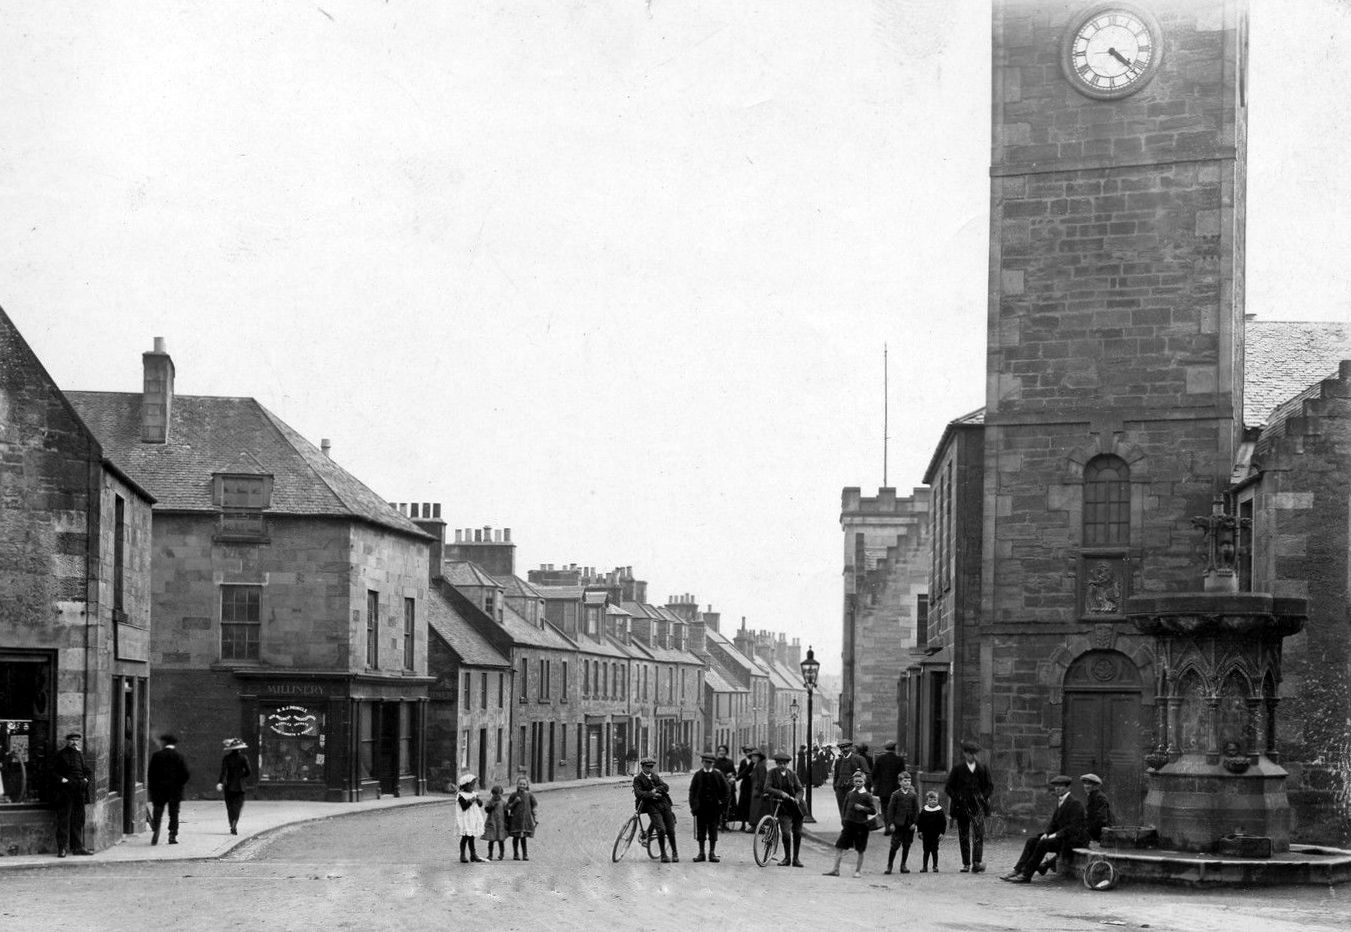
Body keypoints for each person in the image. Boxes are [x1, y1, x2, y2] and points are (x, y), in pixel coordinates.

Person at [1001, 775, 1088, 884]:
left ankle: (1026, 875)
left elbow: (1073, 827)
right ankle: (1018, 869)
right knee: (1032, 841)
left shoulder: (1075, 804)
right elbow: (1054, 823)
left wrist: (1055, 835)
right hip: (1060, 838)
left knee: (1043, 844)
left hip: (1070, 840)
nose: (1057, 788)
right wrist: (1047, 833)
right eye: (1056, 786)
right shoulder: (1060, 801)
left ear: (1068, 788)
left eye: (1061, 786)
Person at [943, 739, 994, 873]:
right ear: (965, 754)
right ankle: (966, 863)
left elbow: (989, 786)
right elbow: (948, 787)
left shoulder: (982, 768)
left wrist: (984, 796)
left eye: (974, 754)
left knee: (978, 834)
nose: (972, 756)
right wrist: (957, 798)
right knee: (964, 834)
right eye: (969, 753)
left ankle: (976, 861)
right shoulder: (958, 769)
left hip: (977, 807)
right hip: (962, 807)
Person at [823, 769, 877, 878]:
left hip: (861, 826)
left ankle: (858, 871)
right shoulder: (850, 793)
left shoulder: (867, 795)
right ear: (853, 781)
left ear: (864, 782)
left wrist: (862, 808)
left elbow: (873, 810)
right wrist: (844, 820)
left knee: (860, 849)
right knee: (839, 846)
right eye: (856, 781)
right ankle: (835, 869)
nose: (858, 783)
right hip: (848, 825)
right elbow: (844, 807)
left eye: (860, 781)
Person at [52, 732, 93, 857]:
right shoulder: (60, 755)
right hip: (66, 791)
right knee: (63, 820)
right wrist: (62, 780)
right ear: (67, 741)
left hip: (79, 791)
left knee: (78, 820)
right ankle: (62, 848)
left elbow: (87, 770)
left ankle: (77, 847)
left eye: (76, 740)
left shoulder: (80, 754)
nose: (74, 742)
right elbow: (52, 772)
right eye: (72, 740)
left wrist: (86, 779)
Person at [147, 733, 190, 846]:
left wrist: (153, 788)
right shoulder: (179, 756)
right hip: (175, 791)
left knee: (158, 810)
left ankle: (156, 828)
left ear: (164, 743)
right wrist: (179, 785)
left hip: (159, 790)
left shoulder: (157, 755)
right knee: (174, 813)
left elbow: (151, 774)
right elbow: (185, 774)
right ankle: (172, 835)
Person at [633, 755, 679, 862]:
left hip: (664, 803)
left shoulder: (655, 776)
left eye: (651, 767)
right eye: (647, 767)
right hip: (651, 805)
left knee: (670, 830)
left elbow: (666, 787)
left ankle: (675, 853)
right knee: (661, 829)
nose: (649, 769)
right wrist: (652, 794)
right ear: (642, 767)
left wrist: (656, 789)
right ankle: (663, 854)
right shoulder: (638, 779)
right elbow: (639, 793)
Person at [765, 750, 806, 867]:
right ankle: (787, 858)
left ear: (787, 764)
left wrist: (798, 798)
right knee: (786, 833)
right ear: (776, 764)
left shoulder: (792, 774)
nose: (782, 766)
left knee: (797, 833)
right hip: (782, 807)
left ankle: (796, 859)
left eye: (784, 763)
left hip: (796, 807)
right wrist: (780, 793)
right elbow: (767, 787)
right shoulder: (771, 773)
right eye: (779, 763)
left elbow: (800, 789)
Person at [689, 751, 730, 862]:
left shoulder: (718, 774)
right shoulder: (698, 775)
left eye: (711, 762)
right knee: (701, 831)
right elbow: (692, 791)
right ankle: (701, 853)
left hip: (714, 808)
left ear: (713, 763)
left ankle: (712, 853)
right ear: (702, 762)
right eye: (706, 762)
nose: (708, 764)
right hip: (701, 808)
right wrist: (693, 806)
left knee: (713, 830)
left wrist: (722, 803)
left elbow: (727, 790)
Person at [883, 771, 920, 875]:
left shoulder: (913, 795)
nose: (907, 783)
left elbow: (916, 810)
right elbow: (890, 810)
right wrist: (891, 823)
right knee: (894, 845)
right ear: (900, 782)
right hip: (898, 824)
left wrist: (915, 823)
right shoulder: (895, 795)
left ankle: (903, 865)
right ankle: (889, 865)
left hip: (909, 825)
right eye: (905, 781)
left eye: (909, 781)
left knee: (907, 845)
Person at [216, 737, 251, 836]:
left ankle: (231, 824)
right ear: (240, 748)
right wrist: (242, 777)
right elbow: (249, 772)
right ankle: (234, 824)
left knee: (230, 807)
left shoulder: (226, 758)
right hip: (240, 787)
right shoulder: (244, 758)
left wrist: (220, 782)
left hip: (229, 786)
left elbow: (223, 772)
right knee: (237, 807)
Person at [832, 740, 868, 816]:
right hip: (840, 789)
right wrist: (835, 786)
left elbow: (867, 774)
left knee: (854, 810)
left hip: (854, 788)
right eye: (842, 748)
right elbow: (836, 775)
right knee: (842, 809)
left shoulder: (859, 759)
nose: (844, 749)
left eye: (846, 747)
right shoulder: (839, 761)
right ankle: (845, 825)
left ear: (851, 747)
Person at [506, 775, 538, 861]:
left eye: (524, 784)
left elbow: (534, 804)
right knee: (516, 837)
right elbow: (508, 806)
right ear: (517, 784)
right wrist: (515, 802)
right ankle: (515, 854)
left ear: (527, 785)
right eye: (520, 784)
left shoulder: (529, 795)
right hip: (515, 819)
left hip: (525, 819)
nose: (522, 786)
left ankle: (525, 854)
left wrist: (534, 812)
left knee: (523, 838)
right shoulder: (513, 795)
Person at [456, 772, 486, 863]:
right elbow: (464, 807)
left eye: (474, 785)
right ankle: (462, 854)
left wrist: (477, 799)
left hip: (473, 819)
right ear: (465, 786)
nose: (473, 787)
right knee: (465, 837)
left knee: (472, 837)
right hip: (465, 819)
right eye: (471, 785)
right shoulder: (461, 795)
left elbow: (480, 805)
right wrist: (470, 801)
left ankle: (473, 855)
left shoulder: (474, 794)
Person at [917, 790, 947, 872]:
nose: (933, 802)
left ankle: (935, 866)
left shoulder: (940, 811)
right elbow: (920, 822)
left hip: (935, 835)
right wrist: (919, 831)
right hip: (926, 835)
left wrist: (942, 833)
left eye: (935, 800)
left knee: (934, 851)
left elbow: (943, 823)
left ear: (937, 801)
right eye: (930, 800)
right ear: (927, 801)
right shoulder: (924, 810)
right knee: (926, 851)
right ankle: (924, 866)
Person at [871, 739, 906, 810]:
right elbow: (903, 775)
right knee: (895, 807)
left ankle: (886, 820)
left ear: (885, 748)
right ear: (894, 748)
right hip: (896, 788)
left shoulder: (880, 759)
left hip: (882, 789)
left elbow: (874, 774)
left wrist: (875, 784)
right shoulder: (899, 760)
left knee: (884, 807)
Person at [1082, 773, 1113, 843]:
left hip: (1099, 834)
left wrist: (1091, 834)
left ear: (1096, 786)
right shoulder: (1091, 796)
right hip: (1094, 833)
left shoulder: (1099, 797)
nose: (1086, 786)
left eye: (1089, 784)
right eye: (1085, 783)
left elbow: (1101, 819)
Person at [712, 744, 736, 830]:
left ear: (726, 752)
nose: (722, 752)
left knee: (727, 805)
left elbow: (734, 772)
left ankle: (724, 823)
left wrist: (732, 776)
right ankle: (717, 822)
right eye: (720, 751)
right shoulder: (715, 762)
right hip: (718, 787)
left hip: (728, 787)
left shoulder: (730, 762)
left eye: (723, 751)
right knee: (718, 805)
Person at [481, 784, 508, 860]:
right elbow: (486, 810)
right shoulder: (490, 801)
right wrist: (492, 806)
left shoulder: (503, 802)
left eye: (498, 794)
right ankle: (490, 854)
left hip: (500, 824)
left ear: (501, 794)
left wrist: (506, 822)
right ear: (492, 794)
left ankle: (501, 854)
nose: (496, 796)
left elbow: (506, 812)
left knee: (501, 840)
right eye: (494, 794)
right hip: (492, 823)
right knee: (491, 840)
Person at [734, 745, 756, 831]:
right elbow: (740, 772)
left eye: (750, 752)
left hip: (752, 785)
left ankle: (751, 823)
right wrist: (741, 776)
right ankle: (743, 824)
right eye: (747, 752)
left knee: (751, 804)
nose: (748, 753)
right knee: (743, 804)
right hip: (745, 785)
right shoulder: (743, 762)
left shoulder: (754, 761)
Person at [747, 748, 769, 825]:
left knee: (758, 810)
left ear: (759, 758)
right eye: (752, 756)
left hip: (758, 791)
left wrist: (759, 790)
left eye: (756, 756)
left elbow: (762, 780)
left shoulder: (761, 766)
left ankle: (757, 826)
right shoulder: (756, 766)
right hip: (754, 790)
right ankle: (754, 825)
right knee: (754, 809)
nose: (753, 758)